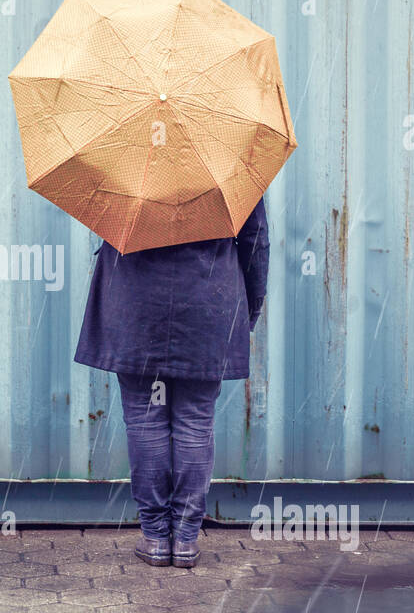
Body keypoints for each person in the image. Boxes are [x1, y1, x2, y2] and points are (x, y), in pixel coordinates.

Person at [74, 198, 269, 568]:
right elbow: (256, 240)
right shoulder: (229, 158)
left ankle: (155, 538)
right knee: (195, 420)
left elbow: (107, 223)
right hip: (208, 302)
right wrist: (251, 304)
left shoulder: (126, 157)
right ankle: (184, 539)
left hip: (136, 303)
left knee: (146, 419)